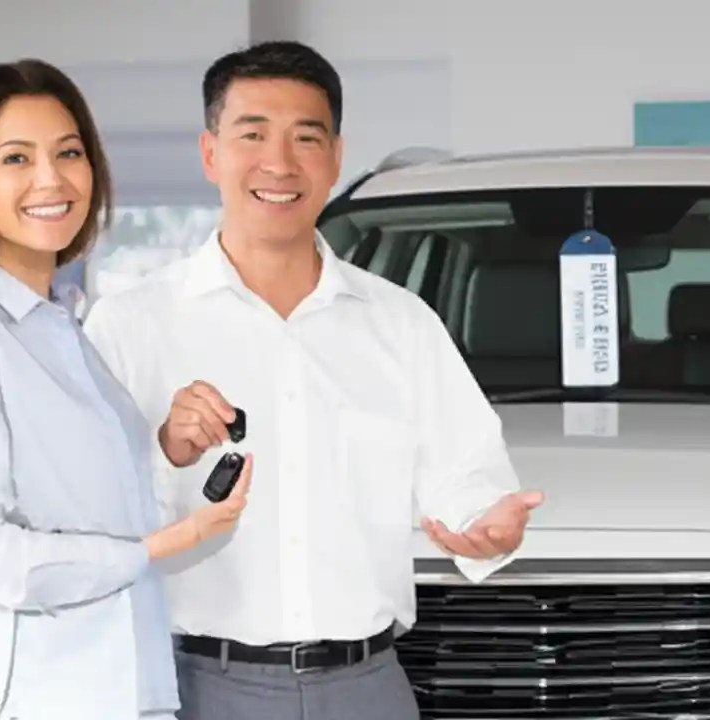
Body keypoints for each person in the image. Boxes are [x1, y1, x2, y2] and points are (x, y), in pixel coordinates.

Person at [77, 40, 544, 719]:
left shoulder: (400, 324)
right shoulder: (129, 325)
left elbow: (465, 476)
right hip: (195, 686)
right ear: (210, 154)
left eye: (306, 137)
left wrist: (489, 525)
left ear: (335, 157)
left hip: (368, 685)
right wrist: (161, 449)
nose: (280, 163)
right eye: (252, 134)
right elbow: (87, 522)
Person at [0, 59, 253, 720]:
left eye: (68, 152)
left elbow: (98, 511)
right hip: (38, 696)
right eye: (16, 158)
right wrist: (158, 547)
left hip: (126, 686)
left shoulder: (63, 328)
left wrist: (166, 450)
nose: (51, 178)